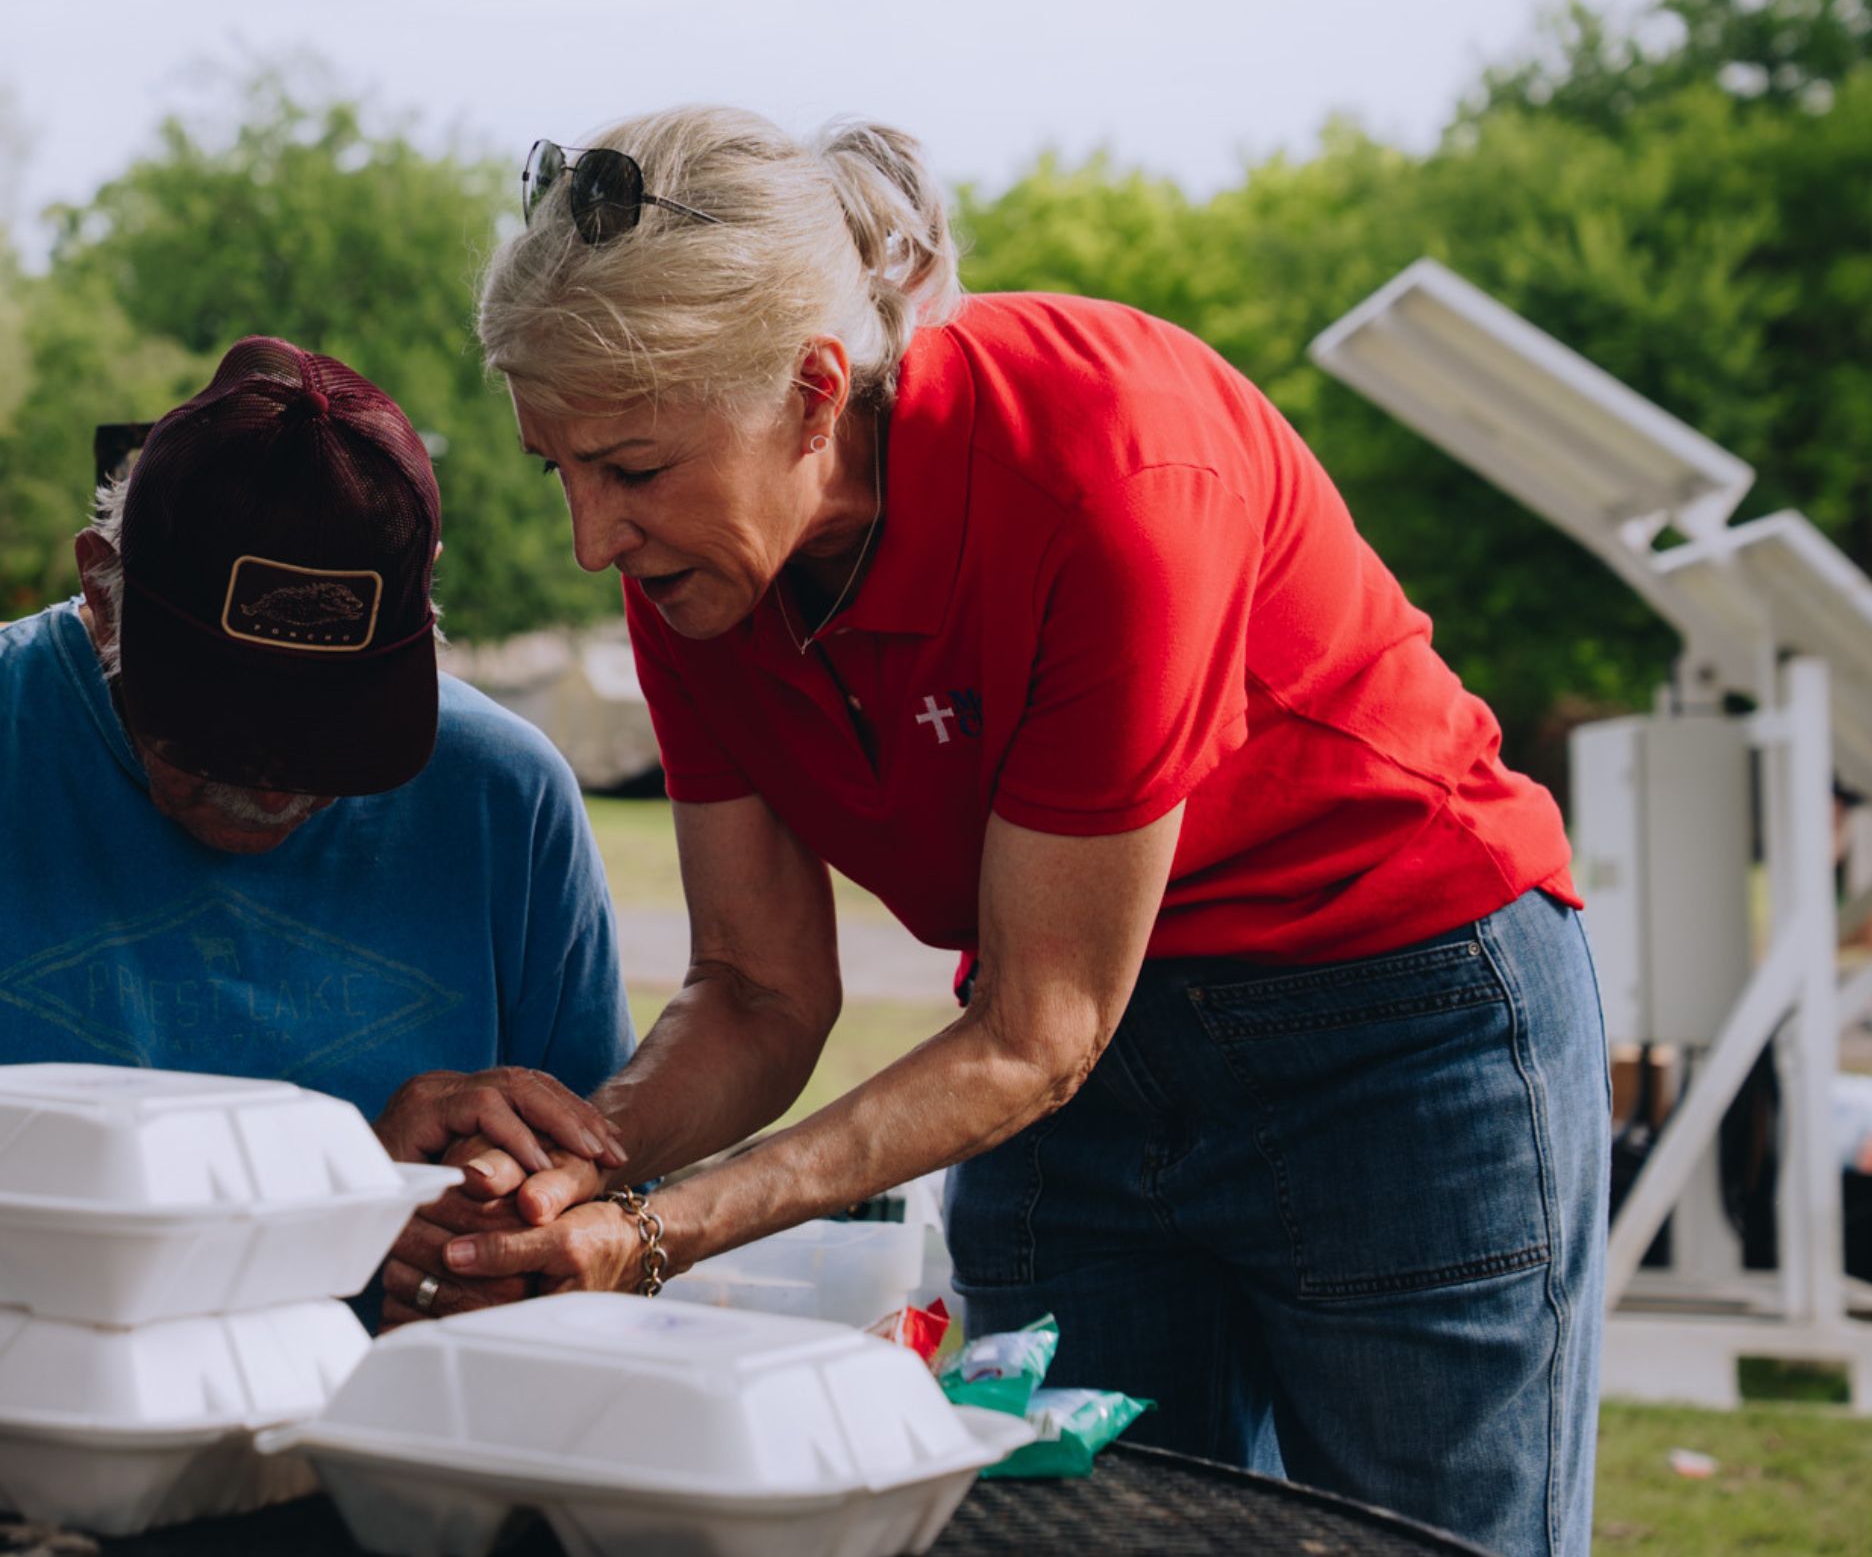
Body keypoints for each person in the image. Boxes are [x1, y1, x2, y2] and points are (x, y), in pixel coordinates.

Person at [407, 112, 1606, 1557]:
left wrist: (658, 1233)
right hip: (1076, 1057)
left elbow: (1044, 1027)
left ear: (811, 392)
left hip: (1392, 1024)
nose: (596, 538)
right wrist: (571, 1174)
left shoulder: (1113, 476)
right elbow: (762, 991)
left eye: (634, 469)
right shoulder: (697, 575)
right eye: (561, 474)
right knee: (1075, 1532)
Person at [0, 337, 636, 1262]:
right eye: (216, 736)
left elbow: (620, 1198)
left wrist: (524, 1240)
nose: (274, 784)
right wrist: (344, 1187)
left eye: (332, 740)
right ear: (103, 591)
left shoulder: (506, 799)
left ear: (418, 635)